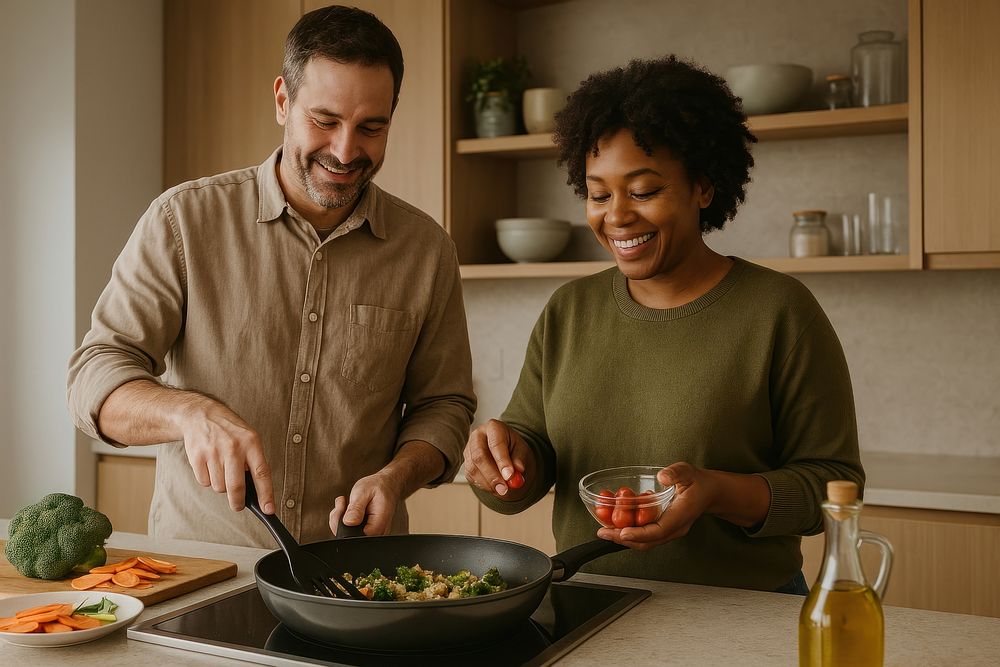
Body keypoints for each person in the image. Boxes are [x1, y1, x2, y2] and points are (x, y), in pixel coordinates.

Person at [67, 5, 475, 548]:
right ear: (283, 100)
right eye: (324, 121)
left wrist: (396, 478)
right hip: (206, 568)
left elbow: (443, 407)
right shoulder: (184, 221)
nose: (346, 150)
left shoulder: (426, 251)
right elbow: (93, 377)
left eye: (371, 127)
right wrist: (189, 413)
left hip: (354, 575)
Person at [462, 55, 863, 594]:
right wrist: (502, 463)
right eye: (599, 194)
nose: (617, 215)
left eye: (644, 191)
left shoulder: (779, 310)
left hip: (743, 614)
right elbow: (532, 453)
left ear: (703, 186)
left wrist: (714, 492)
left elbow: (834, 486)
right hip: (593, 607)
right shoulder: (569, 311)